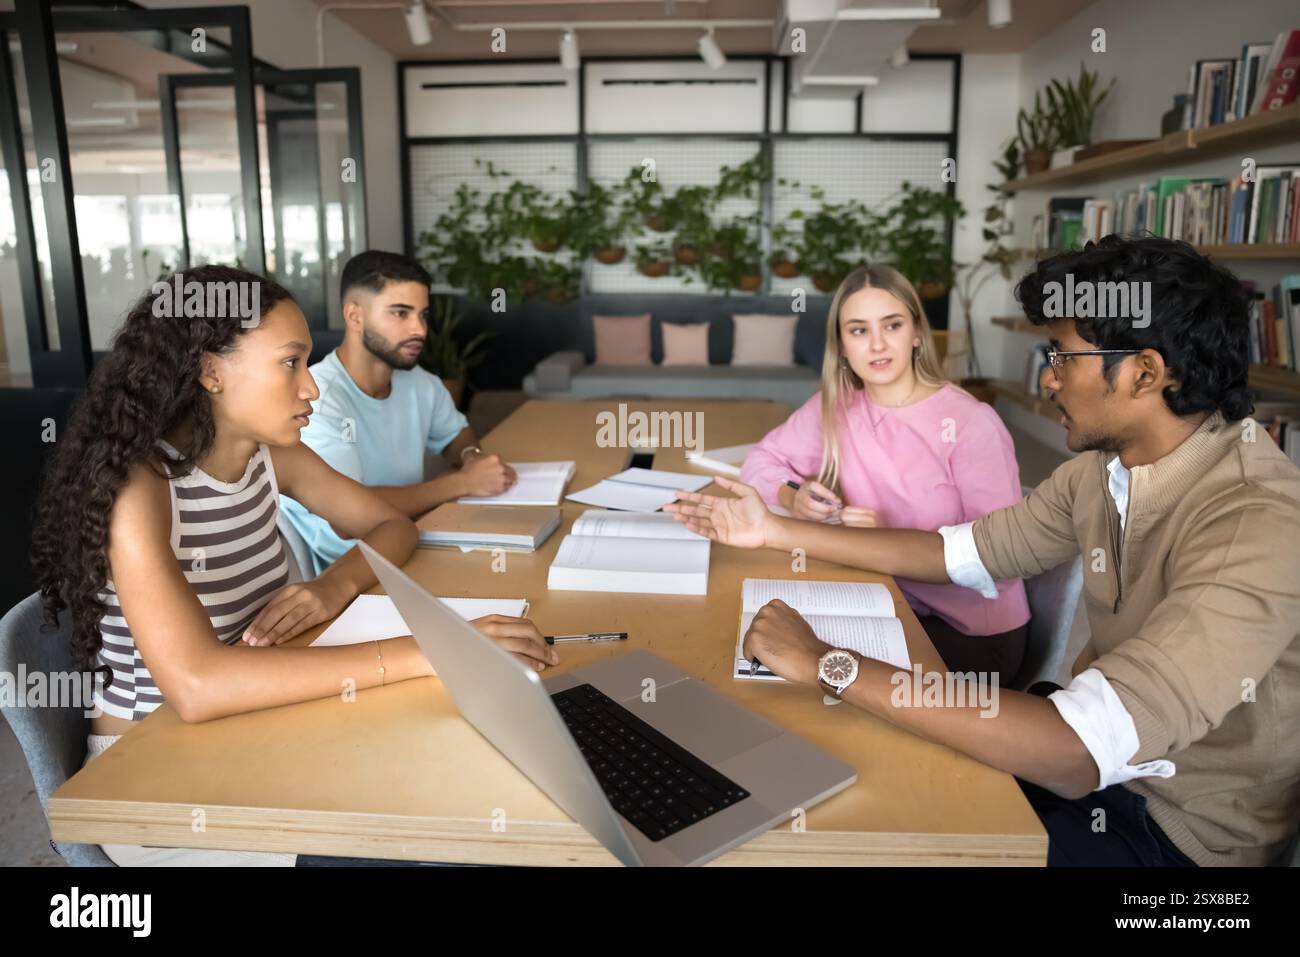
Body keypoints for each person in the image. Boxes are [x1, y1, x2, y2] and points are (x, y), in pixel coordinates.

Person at [667, 236, 1300, 866]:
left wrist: (827, 662)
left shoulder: (1256, 522)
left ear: (1145, 371)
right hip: (1097, 779)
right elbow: (960, 553)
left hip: (1175, 837)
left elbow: (1080, 749)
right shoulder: (1104, 471)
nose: (1049, 377)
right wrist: (773, 531)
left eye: (1064, 355)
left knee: (884, 836)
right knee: (845, 783)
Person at [31, 265, 557, 866]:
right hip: (159, 789)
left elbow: (393, 525)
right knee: (417, 833)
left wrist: (334, 587)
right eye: (291, 363)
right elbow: (198, 686)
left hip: (254, 728)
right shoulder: (141, 486)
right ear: (211, 371)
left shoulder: (272, 456)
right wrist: (436, 649)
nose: (311, 387)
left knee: (466, 774)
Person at [741, 263, 1029, 678]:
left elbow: (1001, 559)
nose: (877, 344)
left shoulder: (971, 423)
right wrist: (793, 496)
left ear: (916, 334)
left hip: (972, 634)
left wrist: (883, 540)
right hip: (885, 601)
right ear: (841, 345)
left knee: (809, 674)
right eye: (858, 330)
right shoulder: (837, 406)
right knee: (765, 646)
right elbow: (760, 461)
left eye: (891, 326)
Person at [280, 250, 516, 576]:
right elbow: (348, 519)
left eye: (423, 314)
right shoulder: (317, 398)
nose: (419, 329)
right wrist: (461, 483)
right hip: (349, 568)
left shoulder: (421, 384)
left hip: (410, 543)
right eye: (401, 313)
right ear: (355, 316)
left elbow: (457, 435)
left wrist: (471, 455)